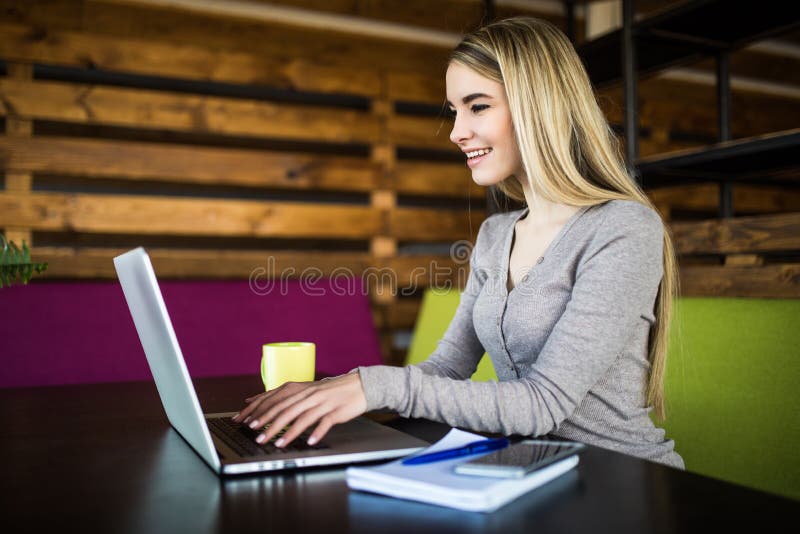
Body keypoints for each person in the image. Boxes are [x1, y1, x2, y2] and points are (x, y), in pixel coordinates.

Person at [233, 16, 684, 469]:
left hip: (621, 477)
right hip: (531, 469)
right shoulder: (496, 235)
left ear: (539, 105)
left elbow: (542, 404)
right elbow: (448, 366)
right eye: (454, 110)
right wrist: (337, 391)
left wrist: (374, 386)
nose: (456, 131)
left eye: (478, 106)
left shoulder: (623, 228)